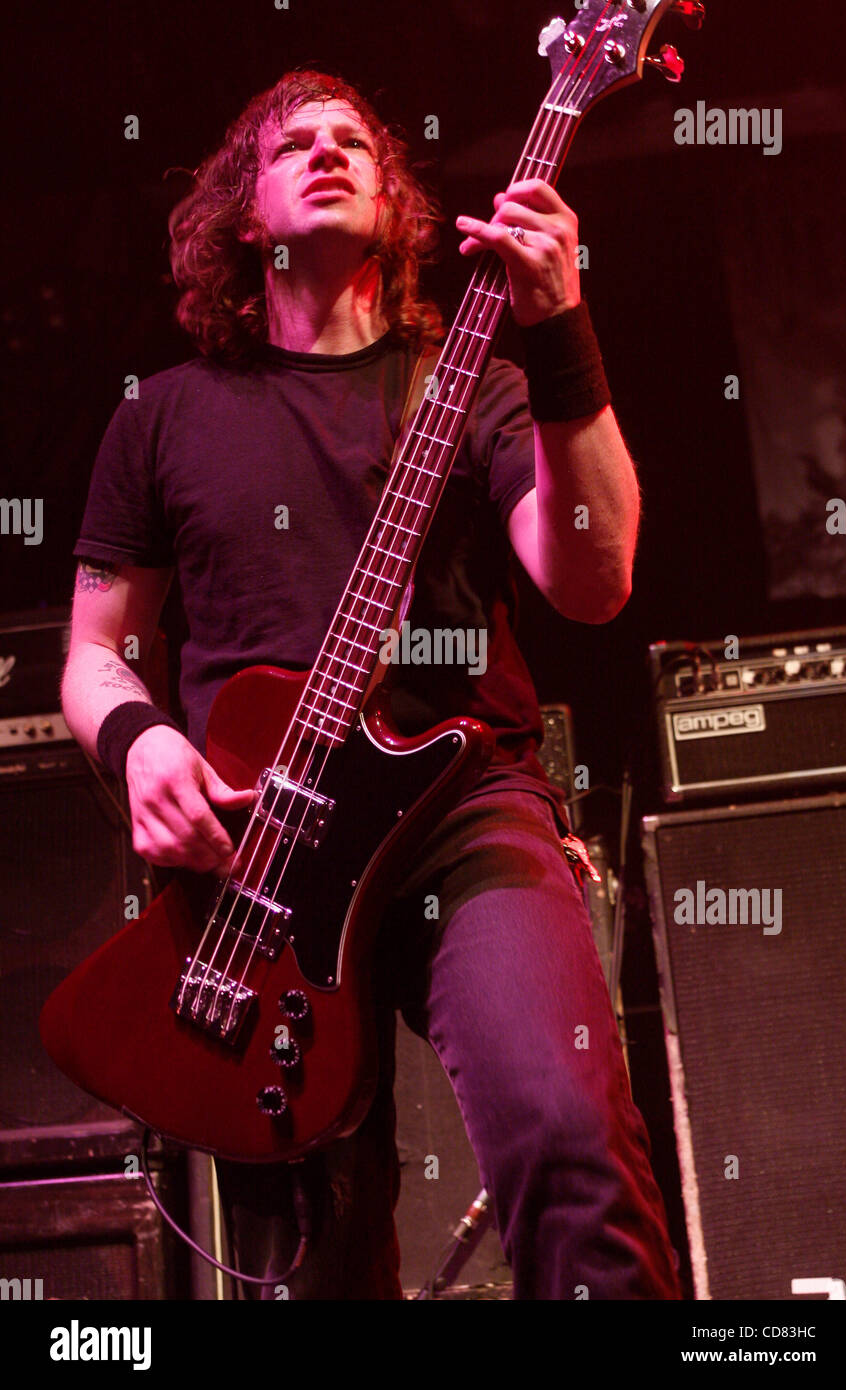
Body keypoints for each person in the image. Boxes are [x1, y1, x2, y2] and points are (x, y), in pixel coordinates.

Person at [62, 67, 681, 1300]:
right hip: (261, 855)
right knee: (316, 1253)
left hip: (462, 813)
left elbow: (593, 577)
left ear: (402, 210)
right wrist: (136, 742)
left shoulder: (478, 387)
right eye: (296, 141)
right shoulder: (164, 417)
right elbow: (91, 650)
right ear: (245, 215)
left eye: (357, 140)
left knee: (566, 1138)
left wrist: (556, 323)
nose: (331, 150)